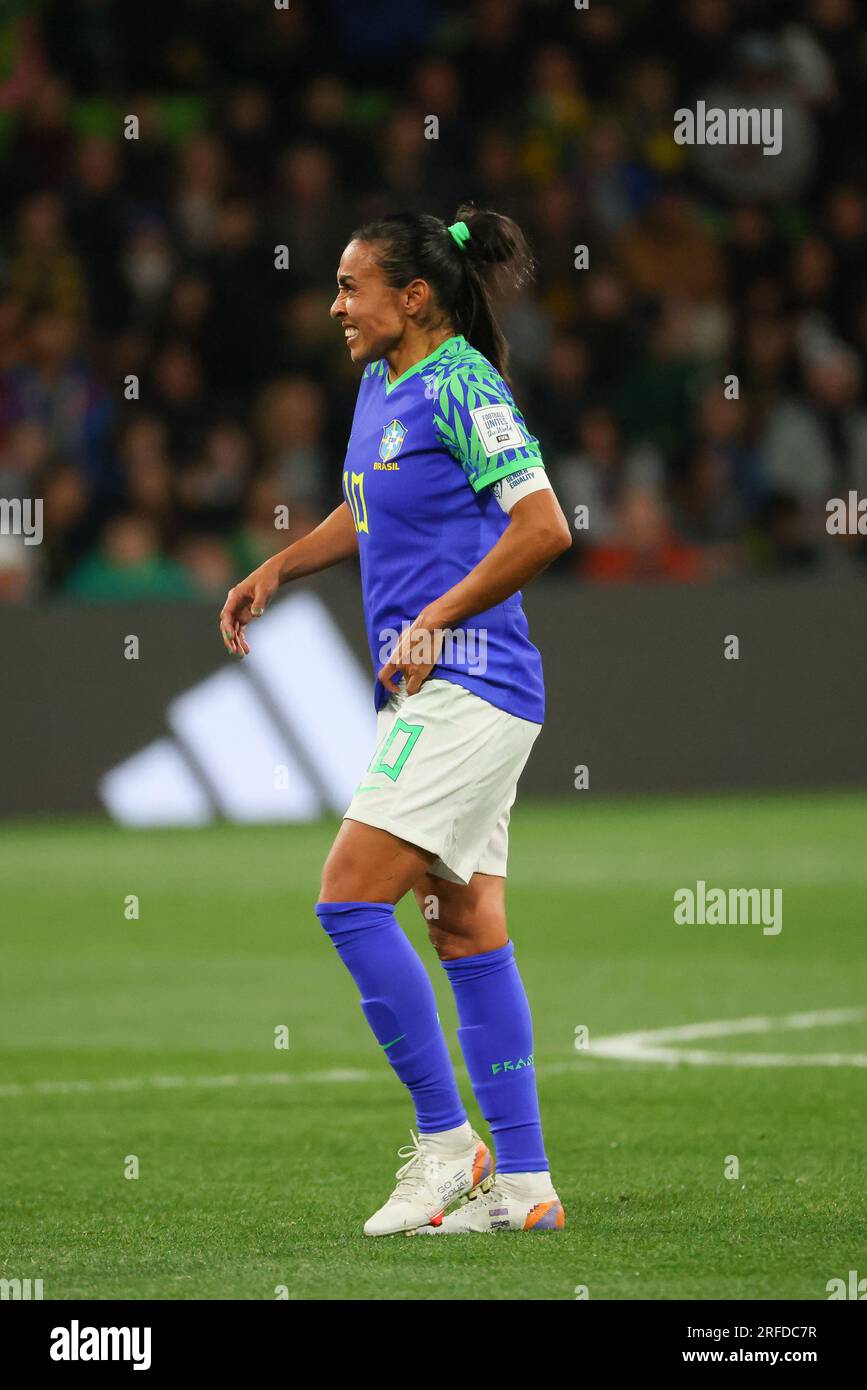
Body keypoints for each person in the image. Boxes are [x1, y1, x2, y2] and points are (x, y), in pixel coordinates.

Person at [219, 206, 572, 1235]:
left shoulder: (464, 383)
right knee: (466, 927)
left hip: (470, 677)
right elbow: (369, 508)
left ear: (411, 297)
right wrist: (281, 564)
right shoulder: (382, 386)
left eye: (349, 287)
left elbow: (543, 524)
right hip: (436, 688)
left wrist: (433, 619)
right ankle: (525, 1187)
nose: (335, 306)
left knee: (347, 898)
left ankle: (443, 1143)